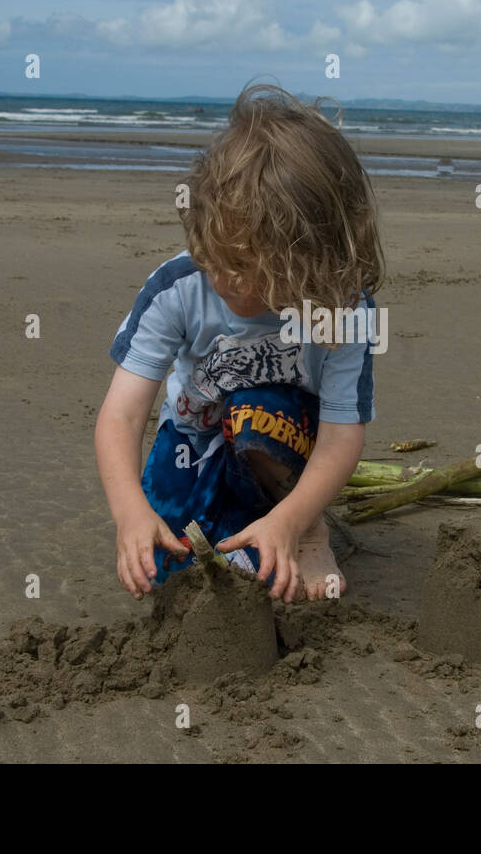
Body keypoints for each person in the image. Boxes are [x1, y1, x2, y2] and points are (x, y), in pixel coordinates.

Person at [94, 82, 385, 604]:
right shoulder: (176, 290)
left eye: (251, 268)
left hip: (285, 441)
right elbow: (122, 415)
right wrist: (129, 511)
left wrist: (291, 522)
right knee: (168, 571)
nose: (228, 280)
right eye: (217, 257)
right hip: (196, 437)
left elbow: (343, 435)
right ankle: (241, 518)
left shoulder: (342, 310)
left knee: (255, 414)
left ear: (310, 261)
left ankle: (309, 526)